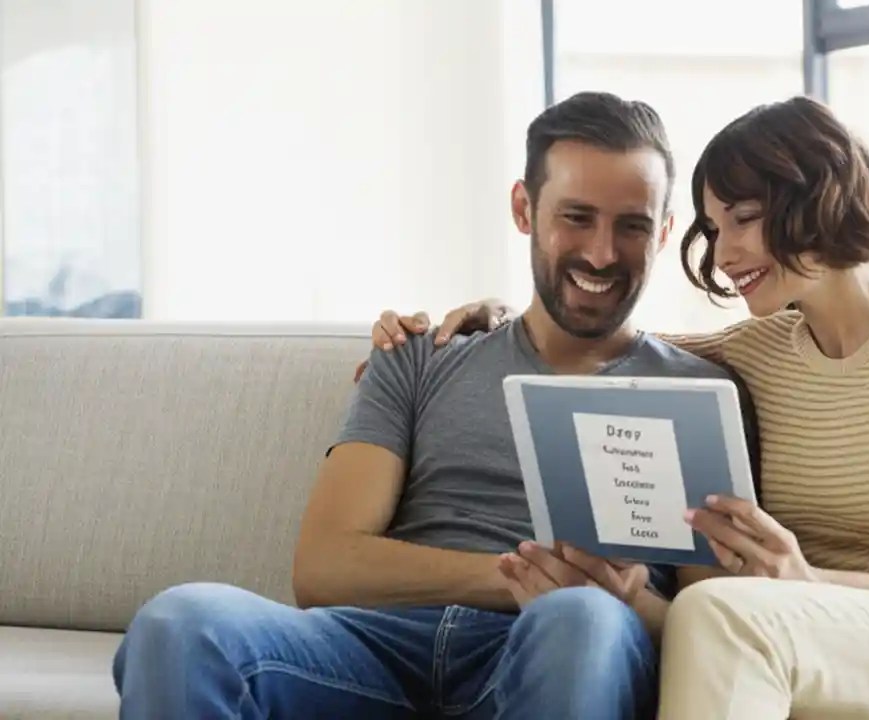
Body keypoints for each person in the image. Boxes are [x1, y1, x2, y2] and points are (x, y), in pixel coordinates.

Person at [368, 95, 869, 719]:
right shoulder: (755, 352)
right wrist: (490, 319)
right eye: (714, 228)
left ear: (816, 197)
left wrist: (818, 586)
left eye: (744, 219)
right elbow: (595, 329)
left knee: (725, 612)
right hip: (820, 637)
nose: (723, 254)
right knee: (708, 608)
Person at [111, 91, 756, 720]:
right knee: (180, 622)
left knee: (580, 618)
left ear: (666, 231)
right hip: (373, 649)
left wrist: (620, 597)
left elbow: (707, 627)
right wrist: (519, 577)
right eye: (576, 217)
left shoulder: (700, 398)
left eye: (633, 226)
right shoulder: (420, 356)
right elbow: (324, 566)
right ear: (524, 208)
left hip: (560, 650)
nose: (601, 253)